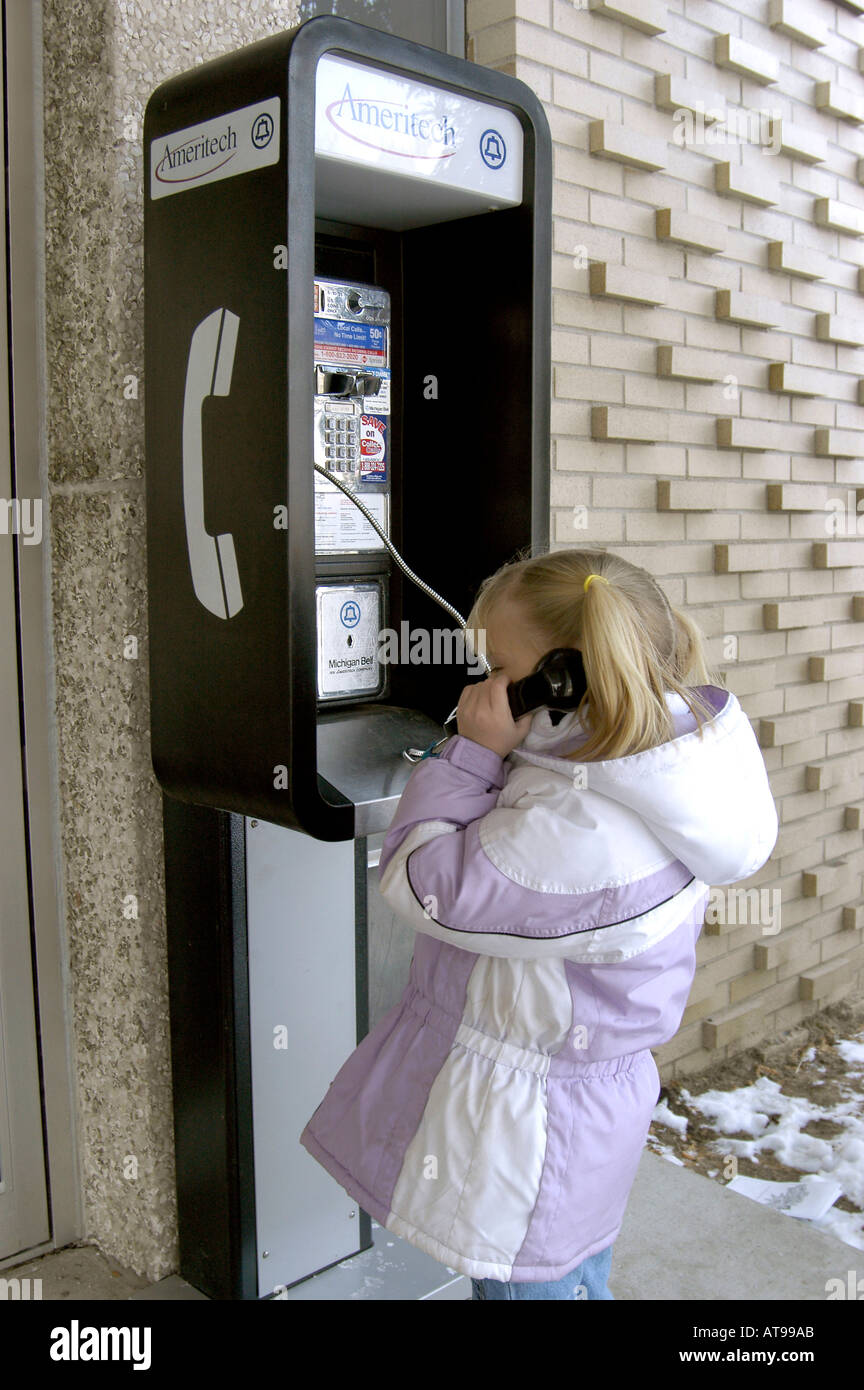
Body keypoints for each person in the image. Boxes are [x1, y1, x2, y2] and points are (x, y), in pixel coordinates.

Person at [298, 548, 779, 1300]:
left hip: (532, 1134)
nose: (480, 685)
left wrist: (471, 754)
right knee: (574, 1277)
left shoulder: (584, 827)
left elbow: (422, 882)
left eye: (497, 668)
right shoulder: (639, 762)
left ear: (558, 680)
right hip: (572, 1112)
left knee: (532, 1287)